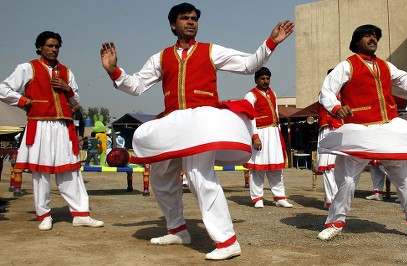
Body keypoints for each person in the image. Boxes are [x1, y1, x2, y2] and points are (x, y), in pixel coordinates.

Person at [100, 2, 294, 260]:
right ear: (173, 24)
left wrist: (271, 42)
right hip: (171, 123)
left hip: (201, 123)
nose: (191, 22)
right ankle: (178, 229)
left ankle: (227, 241)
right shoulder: (160, 57)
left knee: (200, 178)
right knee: (161, 178)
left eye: (194, 18)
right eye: (185, 18)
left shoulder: (211, 51)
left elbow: (248, 64)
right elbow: (136, 85)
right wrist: (114, 71)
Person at [317, 24, 407, 242]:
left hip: (389, 127)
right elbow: (327, 92)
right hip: (359, 129)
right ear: (357, 41)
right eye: (367, 35)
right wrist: (335, 107)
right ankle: (334, 223)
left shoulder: (386, 65)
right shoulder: (346, 66)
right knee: (347, 181)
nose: (372, 39)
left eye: (375, 36)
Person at [0, 31, 104, 230]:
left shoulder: (67, 71)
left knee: (71, 170)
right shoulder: (27, 68)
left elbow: (76, 101)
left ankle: (81, 213)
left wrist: (67, 88)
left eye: (57, 46)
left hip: (63, 126)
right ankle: (44, 214)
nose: (54, 49)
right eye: (49, 46)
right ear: (39, 47)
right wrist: (22, 101)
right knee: (41, 170)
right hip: (40, 124)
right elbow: (3, 88)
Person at [243, 67, 293, 209]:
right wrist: (255, 137)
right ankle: (257, 198)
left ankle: (280, 197)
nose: (265, 81)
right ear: (256, 79)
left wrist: (278, 134)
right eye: (262, 79)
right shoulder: (250, 96)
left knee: (276, 167)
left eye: (268, 78)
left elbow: (276, 115)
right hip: (260, 132)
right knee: (258, 168)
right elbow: (250, 118)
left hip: (273, 132)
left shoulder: (273, 93)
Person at [316, 69, 342, 208]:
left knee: (340, 167)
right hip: (328, 130)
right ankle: (330, 199)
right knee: (328, 167)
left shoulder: (345, 93)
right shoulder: (324, 94)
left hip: (342, 130)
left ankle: (336, 198)